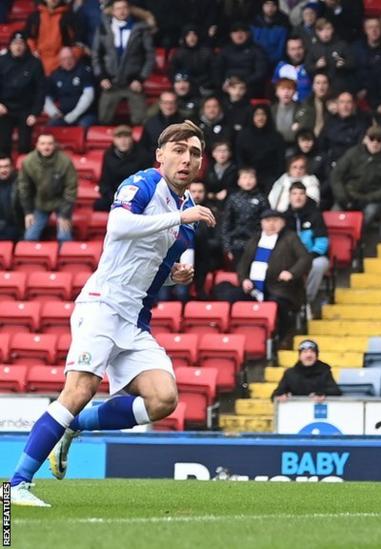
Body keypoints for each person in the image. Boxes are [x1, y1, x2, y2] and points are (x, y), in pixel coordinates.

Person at [9, 121, 216, 507]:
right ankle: (16, 484)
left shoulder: (188, 211)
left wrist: (174, 277)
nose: (186, 158)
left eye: (194, 152)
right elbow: (118, 227)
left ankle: (75, 427)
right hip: (103, 304)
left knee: (163, 399)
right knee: (81, 389)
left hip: (135, 318)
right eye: (179, 149)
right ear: (160, 155)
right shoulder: (143, 184)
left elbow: (147, 270)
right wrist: (179, 219)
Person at [237, 208, 312, 346]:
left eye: (275, 221)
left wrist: (292, 273)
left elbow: (305, 259)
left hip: (281, 287)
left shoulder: (291, 238)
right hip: (253, 288)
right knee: (231, 297)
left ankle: (284, 336)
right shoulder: (255, 239)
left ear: (283, 223)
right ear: (261, 223)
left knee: (278, 303)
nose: (271, 224)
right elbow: (243, 265)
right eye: (267, 221)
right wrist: (244, 279)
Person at [91, 0, 155, 125]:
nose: (122, 11)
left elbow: (150, 56)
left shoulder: (141, 29)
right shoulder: (103, 29)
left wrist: (141, 79)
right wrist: (101, 77)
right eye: (118, 8)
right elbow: (96, 55)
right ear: (113, 11)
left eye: (124, 7)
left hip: (133, 83)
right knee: (103, 119)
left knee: (141, 120)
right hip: (110, 82)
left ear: (129, 9)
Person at [330, 125, 381, 233]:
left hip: (373, 199)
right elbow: (336, 175)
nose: (375, 143)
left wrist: (368, 198)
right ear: (366, 139)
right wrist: (343, 196)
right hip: (349, 195)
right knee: (334, 217)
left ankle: (355, 240)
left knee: (369, 213)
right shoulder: (353, 153)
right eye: (372, 138)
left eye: (379, 139)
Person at [18, 132, 78, 242]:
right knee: (29, 237)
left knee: (64, 237)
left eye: (50, 144)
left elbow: (71, 188)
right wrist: (28, 212)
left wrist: (65, 215)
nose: (46, 147)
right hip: (40, 203)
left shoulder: (65, 161)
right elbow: (24, 188)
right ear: (37, 145)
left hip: (61, 203)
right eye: (43, 144)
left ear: (54, 145)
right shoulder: (28, 162)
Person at [284, 182, 330, 310]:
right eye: (294, 194)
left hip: (314, 256)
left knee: (319, 265)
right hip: (292, 258)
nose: (298, 197)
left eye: (301, 194)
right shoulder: (284, 217)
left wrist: (308, 257)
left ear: (306, 196)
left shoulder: (316, 215)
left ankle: (306, 300)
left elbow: (322, 242)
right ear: (289, 197)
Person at [0, 32, 45, 155]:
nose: (18, 47)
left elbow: (41, 90)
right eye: (15, 44)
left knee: (24, 146)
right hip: (5, 109)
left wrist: (35, 113)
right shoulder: (2, 61)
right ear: (10, 45)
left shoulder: (35, 63)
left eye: (21, 44)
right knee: (3, 145)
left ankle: (23, 171)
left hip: (26, 110)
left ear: (26, 46)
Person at [95, 125, 151, 212]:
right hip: (114, 196)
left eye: (126, 136)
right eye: (119, 137)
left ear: (131, 138)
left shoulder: (142, 154)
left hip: (136, 195)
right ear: (114, 140)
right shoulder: (108, 155)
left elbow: (147, 181)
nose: (123, 141)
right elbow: (104, 183)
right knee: (98, 204)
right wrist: (114, 198)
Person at [23, 0, 87, 76]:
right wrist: (34, 54)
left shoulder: (70, 17)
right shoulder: (34, 17)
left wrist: (66, 59)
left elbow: (78, 44)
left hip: (62, 65)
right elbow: (28, 39)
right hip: (38, 63)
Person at [221, 167, 270, 261]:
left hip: (257, 241)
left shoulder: (262, 198)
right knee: (239, 273)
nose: (248, 181)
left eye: (251, 177)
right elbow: (226, 224)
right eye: (244, 177)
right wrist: (227, 247)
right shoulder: (233, 198)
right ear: (239, 181)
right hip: (236, 243)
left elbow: (267, 222)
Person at [235, 103, 287, 191]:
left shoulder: (277, 137)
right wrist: (247, 174)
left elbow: (280, 161)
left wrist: (275, 178)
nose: (260, 118)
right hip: (248, 176)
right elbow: (239, 158)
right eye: (257, 114)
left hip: (271, 177)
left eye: (263, 114)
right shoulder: (243, 136)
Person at [271, 339, 341, 402]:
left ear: (316, 356)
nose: (308, 355)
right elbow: (275, 394)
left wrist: (321, 393)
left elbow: (336, 391)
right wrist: (281, 396)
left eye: (312, 352)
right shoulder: (290, 374)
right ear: (299, 356)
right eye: (305, 352)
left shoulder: (324, 371)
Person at [214, 22, 270, 98]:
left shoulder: (257, 50)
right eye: (235, 32)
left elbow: (261, 72)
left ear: (248, 34)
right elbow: (217, 69)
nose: (239, 35)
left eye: (242, 31)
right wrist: (222, 83)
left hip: (250, 86)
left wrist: (243, 82)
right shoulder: (225, 50)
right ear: (231, 35)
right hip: (227, 86)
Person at [45, 47, 97, 129]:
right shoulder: (55, 75)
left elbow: (88, 96)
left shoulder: (84, 71)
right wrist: (54, 113)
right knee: (50, 127)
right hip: (64, 115)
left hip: (85, 114)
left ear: (74, 58)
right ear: (60, 61)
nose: (67, 61)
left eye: (70, 58)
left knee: (82, 127)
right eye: (64, 59)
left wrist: (74, 114)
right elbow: (46, 97)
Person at [305, 18, 356, 94]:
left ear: (332, 30)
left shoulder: (342, 45)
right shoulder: (313, 47)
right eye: (321, 30)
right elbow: (307, 67)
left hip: (338, 87)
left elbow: (353, 63)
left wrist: (343, 64)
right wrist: (316, 66)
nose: (325, 33)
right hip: (320, 89)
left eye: (328, 29)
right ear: (317, 32)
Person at [319, 90, 368, 169]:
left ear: (353, 105)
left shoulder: (361, 124)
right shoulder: (330, 122)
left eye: (348, 102)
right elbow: (322, 144)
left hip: (352, 164)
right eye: (342, 102)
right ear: (337, 105)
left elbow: (361, 149)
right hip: (331, 163)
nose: (345, 106)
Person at [169, 24, 216, 95]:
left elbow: (214, 72)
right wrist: (182, 84)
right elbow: (172, 73)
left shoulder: (207, 52)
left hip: (204, 86)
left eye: (194, 35)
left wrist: (206, 84)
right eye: (188, 35)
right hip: (185, 86)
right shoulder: (178, 54)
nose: (192, 38)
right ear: (184, 37)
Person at [296, 70, 334, 138]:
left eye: (324, 83)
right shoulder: (306, 104)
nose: (321, 87)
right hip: (310, 141)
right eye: (318, 83)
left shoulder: (335, 104)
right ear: (313, 86)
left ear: (329, 86)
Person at [273, 36, 312, 102]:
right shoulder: (281, 66)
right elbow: (274, 87)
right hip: (287, 106)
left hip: (306, 106)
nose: (296, 52)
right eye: (293, 49)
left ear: (304, 48)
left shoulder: (311, 66)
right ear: (287, 51)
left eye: (299, 48)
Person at [252, 0, 290, 65]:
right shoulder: (255, 24)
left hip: (276, 62)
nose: (270, 8)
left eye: (273, 5)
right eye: (267, 5)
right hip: (257, 62)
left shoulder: (283, 24)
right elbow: (253, 46)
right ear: (263, 6)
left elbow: (281, 50)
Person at [203, 140, 238, 205]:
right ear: (213, 153)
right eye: (218, 151)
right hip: (211, 202)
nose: (222, 154)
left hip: (230, 202)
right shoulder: (209, 168)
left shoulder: (235, 169)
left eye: (225, 151)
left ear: (230, 153)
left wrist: (228, 192)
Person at [271, 78, 301, 146]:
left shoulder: (301, 108)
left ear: (294, 91)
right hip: (275, 145)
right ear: (276, 92)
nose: (286, 92)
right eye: (283, 89)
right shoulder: (271, 109)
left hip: (295, 144)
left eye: (290, 89)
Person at [0, 155, 22, 240]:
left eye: (6, 166)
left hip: (14, 225)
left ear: (12, 167)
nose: (3, 170)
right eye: (0, 167)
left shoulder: (21, 183)